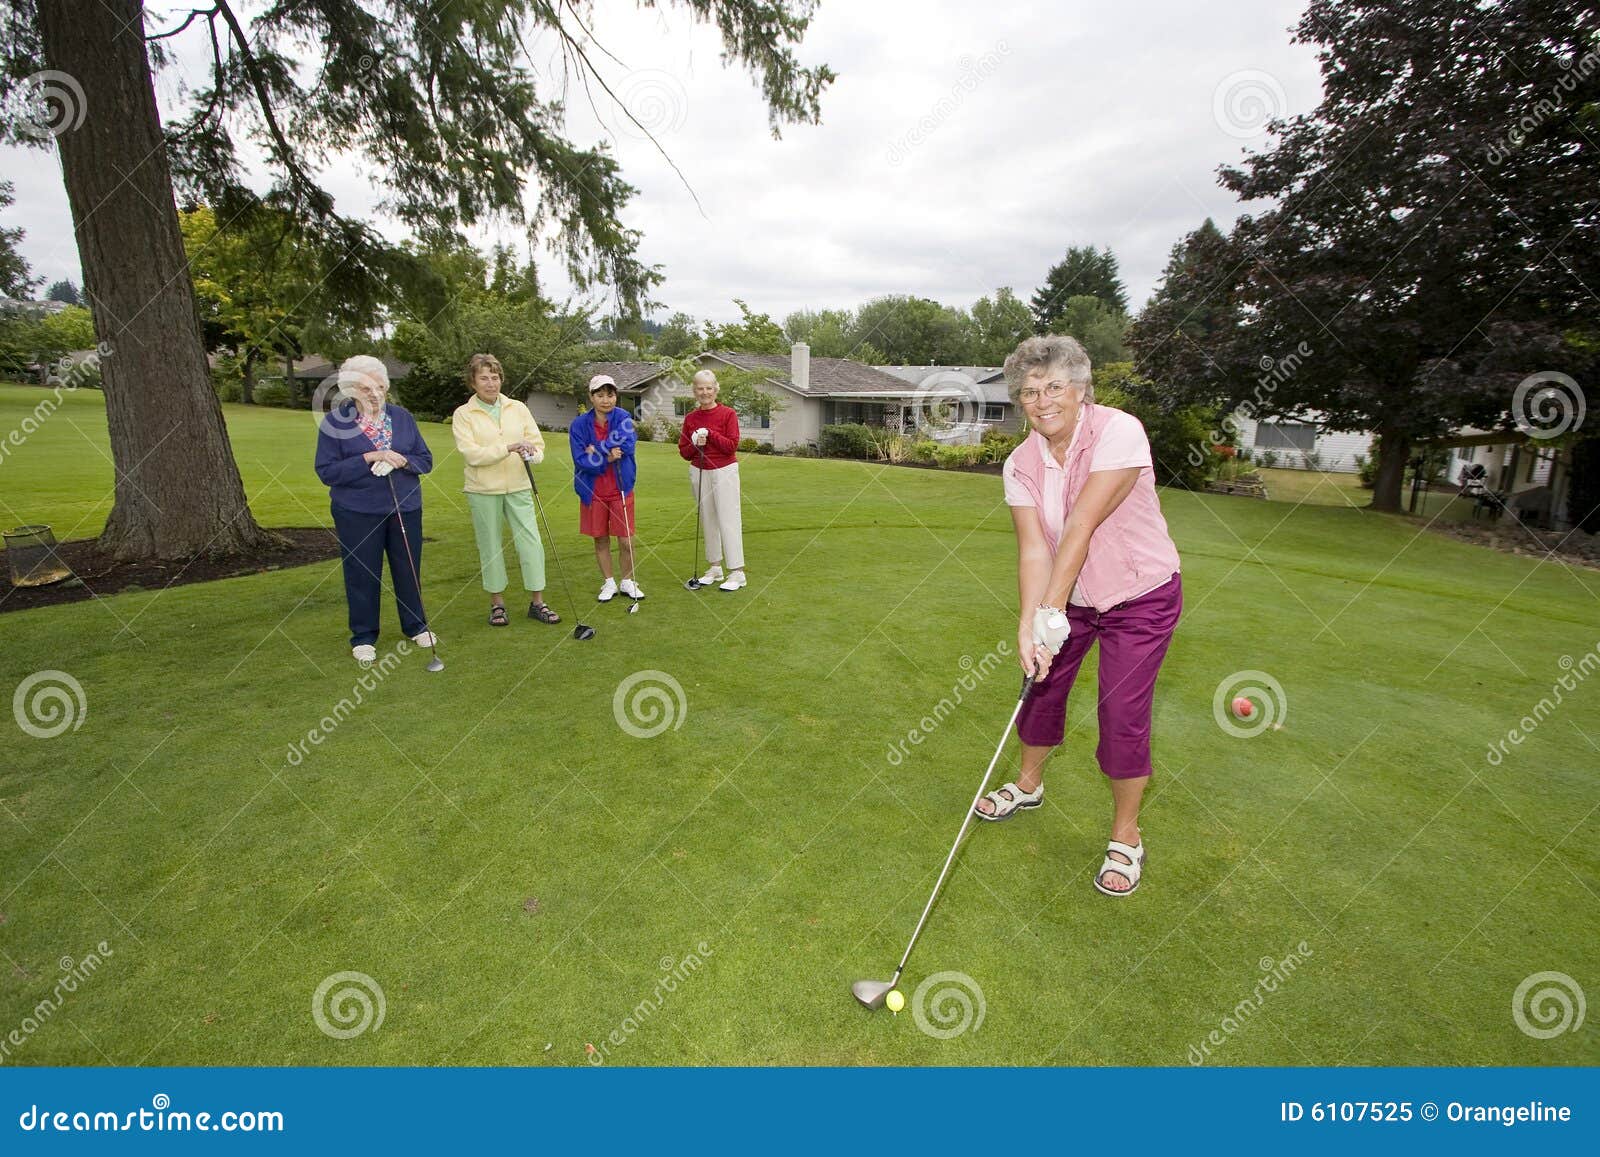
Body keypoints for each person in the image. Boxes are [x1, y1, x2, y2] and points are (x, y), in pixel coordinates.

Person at [976, 334, 1182, 898]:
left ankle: (1126, 836)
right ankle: (1028, 784)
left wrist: (1050, 611)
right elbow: (1033, 549)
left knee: (1121, 715)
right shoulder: (1020, 463)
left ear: (1082, 388)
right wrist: (1028, 625)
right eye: (1030, 392)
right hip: (1072, 600)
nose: (1043, 401)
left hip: (1140, 596)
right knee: (1039, 688)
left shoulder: (1119, 432)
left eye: (1055, 387)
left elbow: (1081, 526)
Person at [313, 354, 437, 664]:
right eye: (367, 389)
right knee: (362, 572)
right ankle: (364, 635)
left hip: (405, 506)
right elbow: (327, 471)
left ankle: (415, 625)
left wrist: (404, 460)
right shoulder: (335, 423)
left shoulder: (402, 417)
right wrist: (368, 458)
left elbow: (425, 459)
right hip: (357, 511)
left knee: (408, 567)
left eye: (381, 387)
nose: (376, 394)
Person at [451, 353, 561, 626]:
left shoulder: (518, 408)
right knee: (490, 545)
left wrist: (531, 453)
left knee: (531, 542)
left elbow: (538, 446)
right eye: (484, 378)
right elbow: (472, 454)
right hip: (482, 489)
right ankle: (497, 604)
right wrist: (508, 448)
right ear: (473, 382)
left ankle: (538, 602)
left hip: (519, 485)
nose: (491, 383)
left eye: (495, 377)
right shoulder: (464, 414)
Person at [570, 374, 643, 602]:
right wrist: (608, 457)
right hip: (593, 490)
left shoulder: (623, 417)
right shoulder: (579, 424)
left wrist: (597, 449)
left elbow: (629, 445)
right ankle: (609, 582)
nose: (606, 400)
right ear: (591, 397)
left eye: (610, 395)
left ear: (615, 396)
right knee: (600, 538)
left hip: (621, 486)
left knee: (625, 540)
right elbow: (581, 460)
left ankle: (628, 581)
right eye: (600, 395)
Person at [677, 369, 747, 591]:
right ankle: (715, 567)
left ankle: (737, 572)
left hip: (724, 470)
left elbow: (731, 446)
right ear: (694, 391)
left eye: (708, 388)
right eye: (700, 388)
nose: (705, 392)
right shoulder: (690, 418)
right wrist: (696, 442)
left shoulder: (728, 414)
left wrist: (711, 435)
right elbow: (685, 452)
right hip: (700, 470)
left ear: (716, 389)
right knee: (708, 519)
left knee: (728, 518)